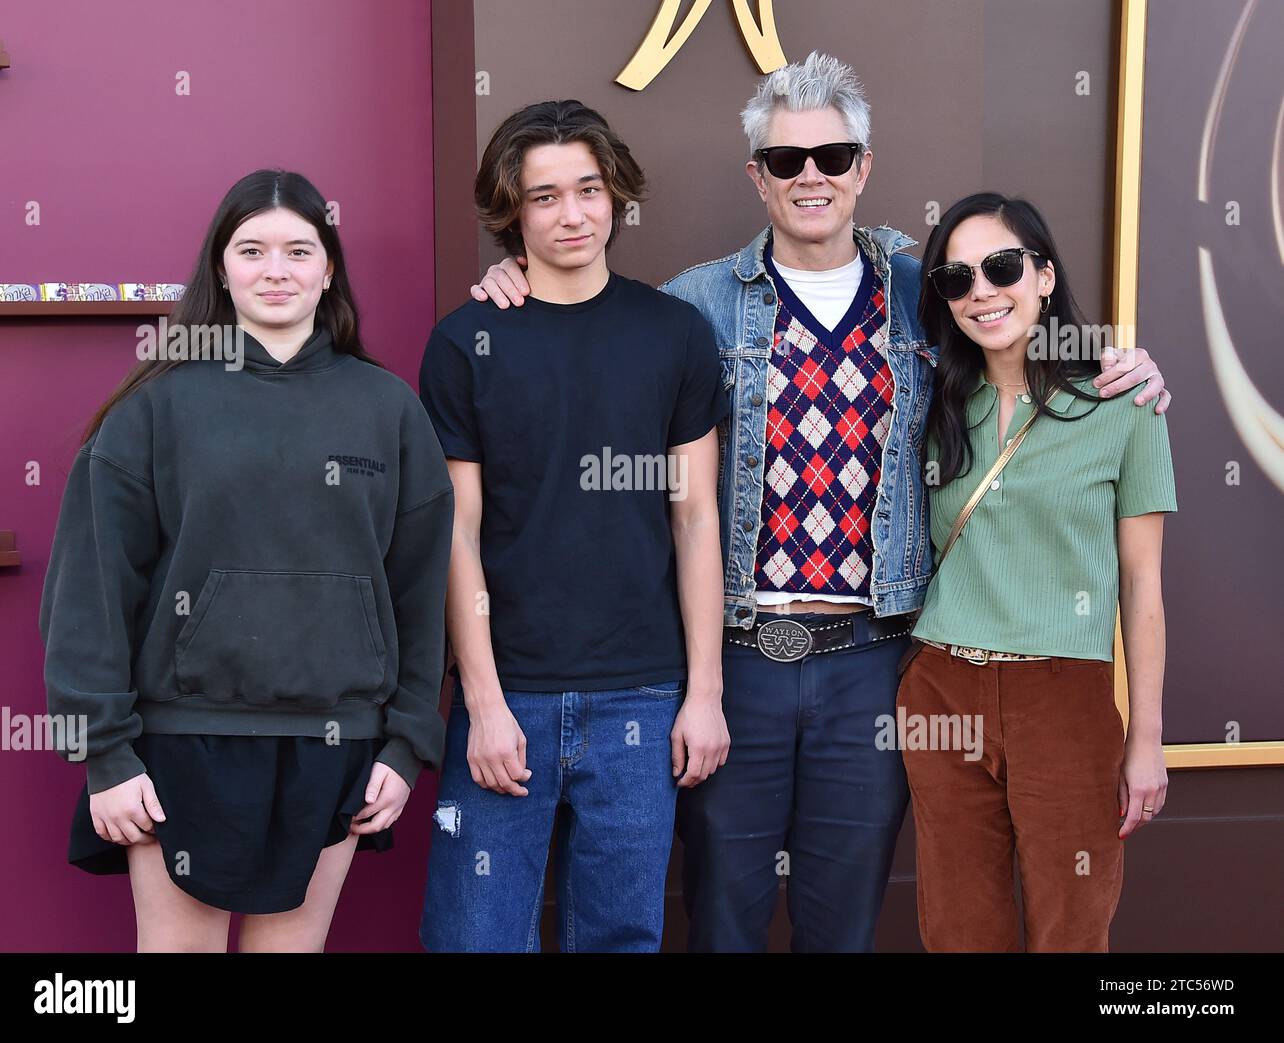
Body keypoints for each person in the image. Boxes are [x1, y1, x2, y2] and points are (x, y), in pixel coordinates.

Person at [471, 52, 1172, 952]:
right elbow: (592, 342)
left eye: (833, 157)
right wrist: (510, 288)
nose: (812, 176)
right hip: (737, 660)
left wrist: (1121, 359)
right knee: (723, 916)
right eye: (787, 160)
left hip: (874, 662)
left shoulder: (931, 293)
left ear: (863, 168)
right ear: (756, 176)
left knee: (844, 923)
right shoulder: (698, 303)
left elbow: (1022, 338)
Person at [40, 169, 454, 952]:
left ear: (328, 267)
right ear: (220, 267)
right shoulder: (155, 407)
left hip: (336, 747)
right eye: (252, 249)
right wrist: (104, 752)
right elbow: (89, 592)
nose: (276, 269)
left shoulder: (387, 408)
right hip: (179, 745)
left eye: (300, 250)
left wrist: (405, 743)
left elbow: (420, 591)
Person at [417, 100, 731, 952]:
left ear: (616, 195)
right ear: (512, 210)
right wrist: (479, 700)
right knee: (474, 937)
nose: (572, 214)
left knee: (623, 937)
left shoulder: (674, 333)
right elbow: (457, 532)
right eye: (544, 195)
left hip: (643, 693)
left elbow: (696, 517)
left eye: (588, 189)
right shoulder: (466, 341)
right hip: (507, 692)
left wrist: (705, 691)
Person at [898, 192, 1175, 952]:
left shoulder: (1125, 405)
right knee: (959, 931)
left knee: (1071, 928)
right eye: (956, 278)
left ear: (1044, 275)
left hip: (1064, 696)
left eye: (1002, 266)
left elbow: (1143, 586)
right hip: (940, 689)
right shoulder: (932, 399)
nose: (981, 291)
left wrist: (1146, 737)